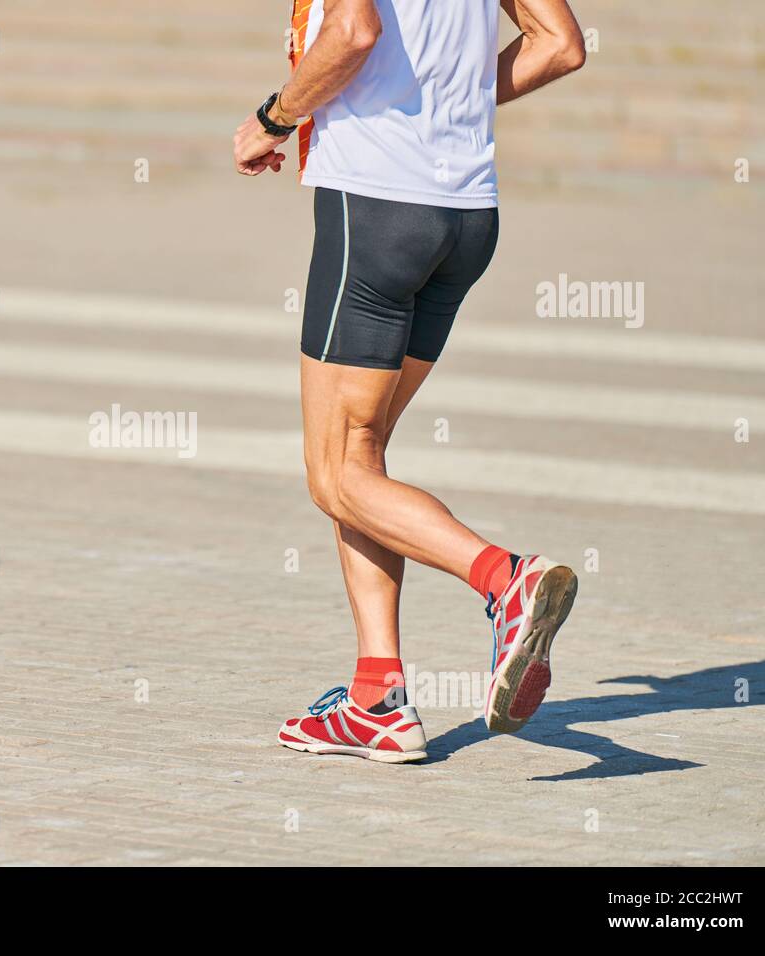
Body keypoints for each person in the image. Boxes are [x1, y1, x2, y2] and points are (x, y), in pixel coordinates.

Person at [232, 0, 587, 762]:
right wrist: (445, 108)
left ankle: (505, 580)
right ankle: (377, 699)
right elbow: (559, 46)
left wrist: (275, 116)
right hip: (466, 219)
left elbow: (352, 32)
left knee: (334, 473)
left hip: (378, 209)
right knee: (361, 457)